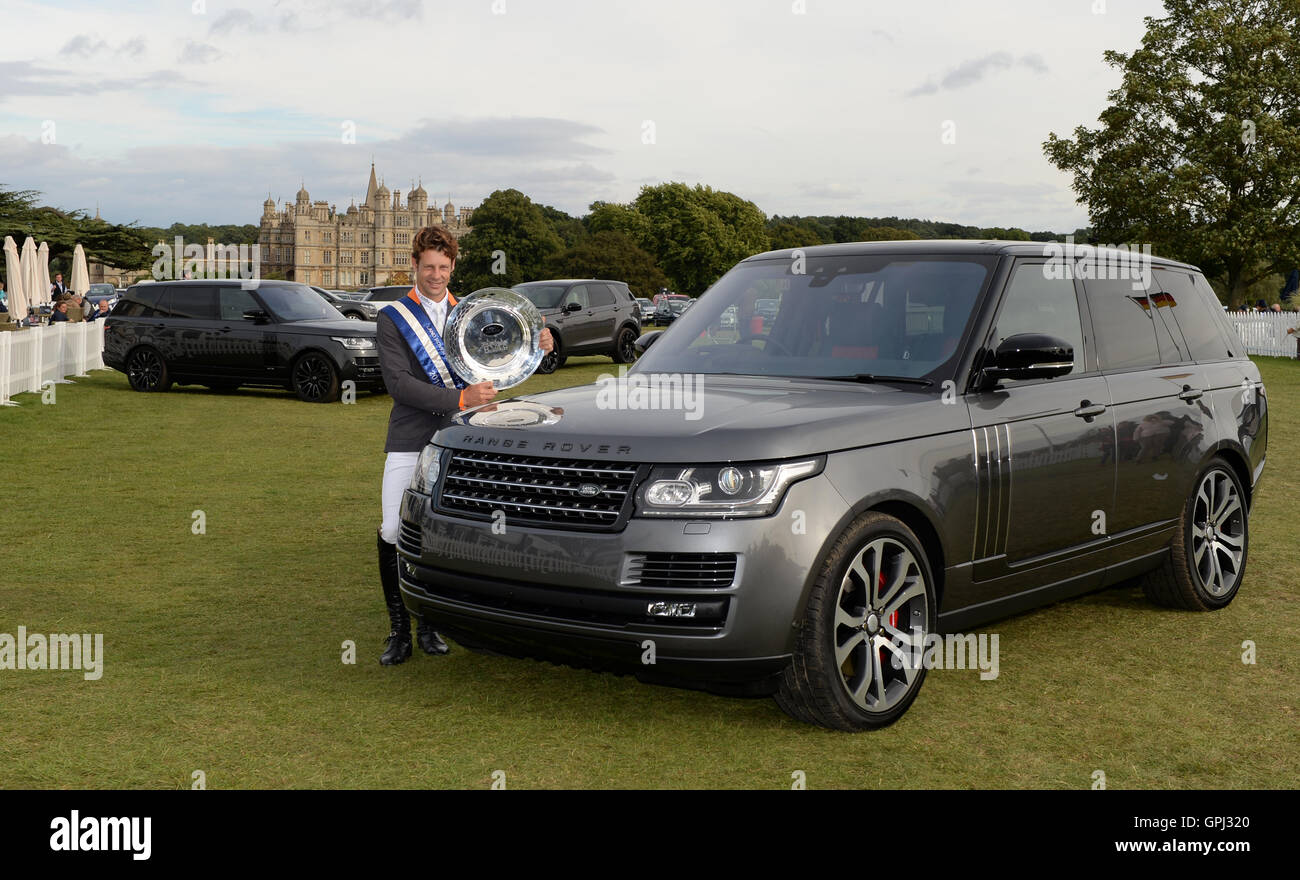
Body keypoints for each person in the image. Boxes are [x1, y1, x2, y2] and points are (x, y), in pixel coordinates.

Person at [373, 225, 553, 665]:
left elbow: (508, 360)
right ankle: (399, 629)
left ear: (453, 268)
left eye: (444, 267)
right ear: (414, 266)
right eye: (428, 267)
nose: (436, 275)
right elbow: (398, 384)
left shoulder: (472, 312)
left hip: (463, 438)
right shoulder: (393, 316)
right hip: (412, 436)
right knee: (395, 529)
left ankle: (431, 624)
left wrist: (542, 345)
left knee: (447, 533)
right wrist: (458, 397)